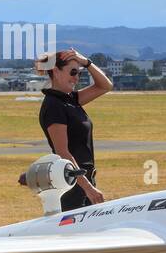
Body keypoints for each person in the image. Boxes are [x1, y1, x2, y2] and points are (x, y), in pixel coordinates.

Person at [36, 48, 113, 210]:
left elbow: (105, 85)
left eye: (79, 73)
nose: (76, 78)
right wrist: (88, 188)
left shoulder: (71, 100)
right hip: (72, 184)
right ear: (56, 72)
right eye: (72, 72)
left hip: (82, 180)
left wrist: (87, 62)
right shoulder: (54, 105)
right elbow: (62, 152)